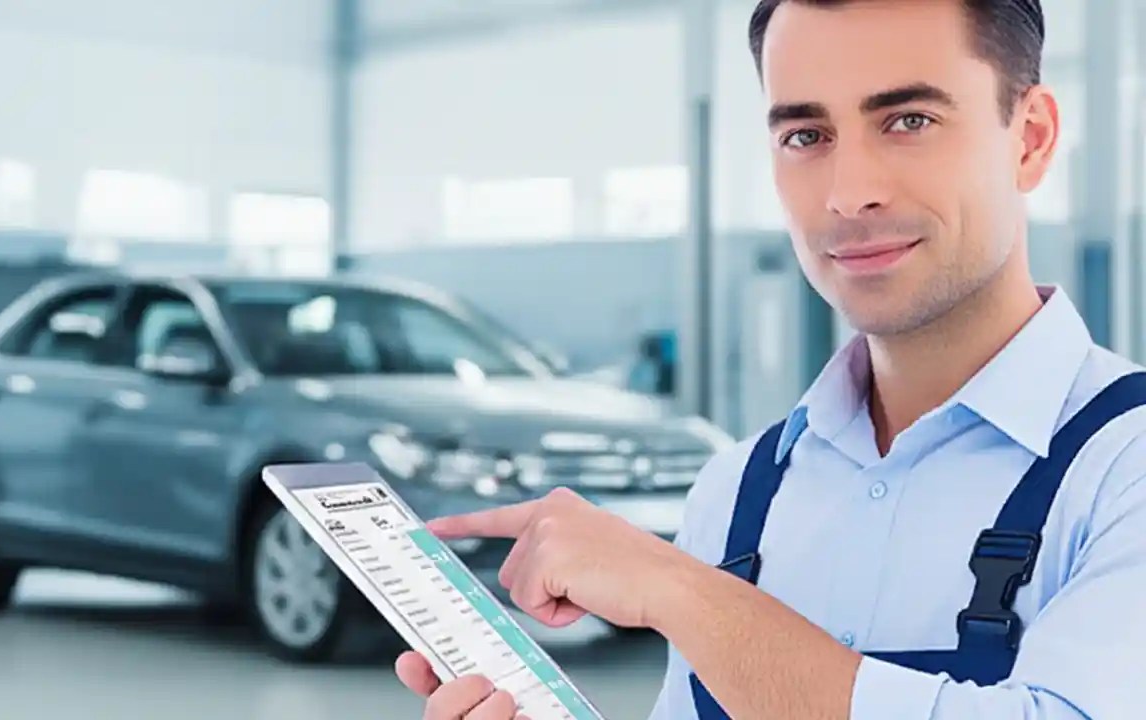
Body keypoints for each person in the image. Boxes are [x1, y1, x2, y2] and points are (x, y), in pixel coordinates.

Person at [395, 0, 1146, 717]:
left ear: (1032, 138)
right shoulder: (736, 494)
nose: (849, 195)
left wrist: (680, 591)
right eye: (806, 136)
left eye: (909, 120)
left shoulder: (1123, 467)